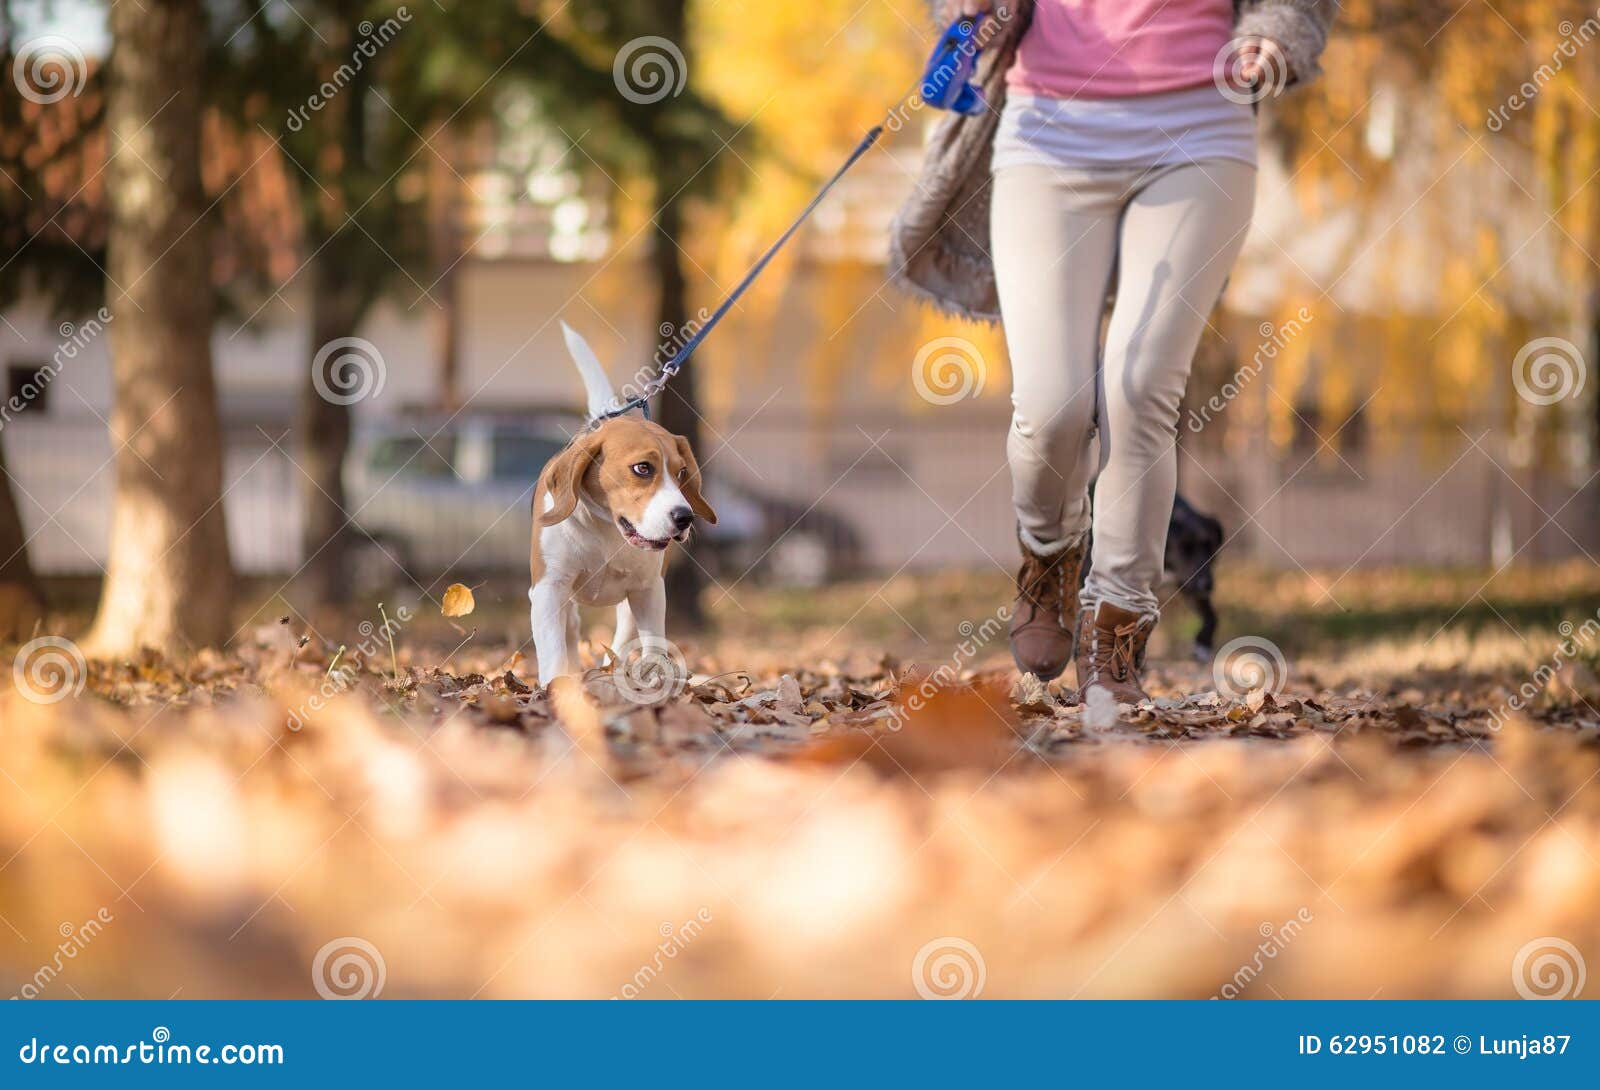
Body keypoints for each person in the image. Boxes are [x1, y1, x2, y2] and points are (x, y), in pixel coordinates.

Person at [890, 0, 1334, 701]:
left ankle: (1118, 620)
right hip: (1048, 135)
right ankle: (1048, 552)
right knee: (1050, 405)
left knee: (1140, 386)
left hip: (1201, 126)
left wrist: (1274, 35)